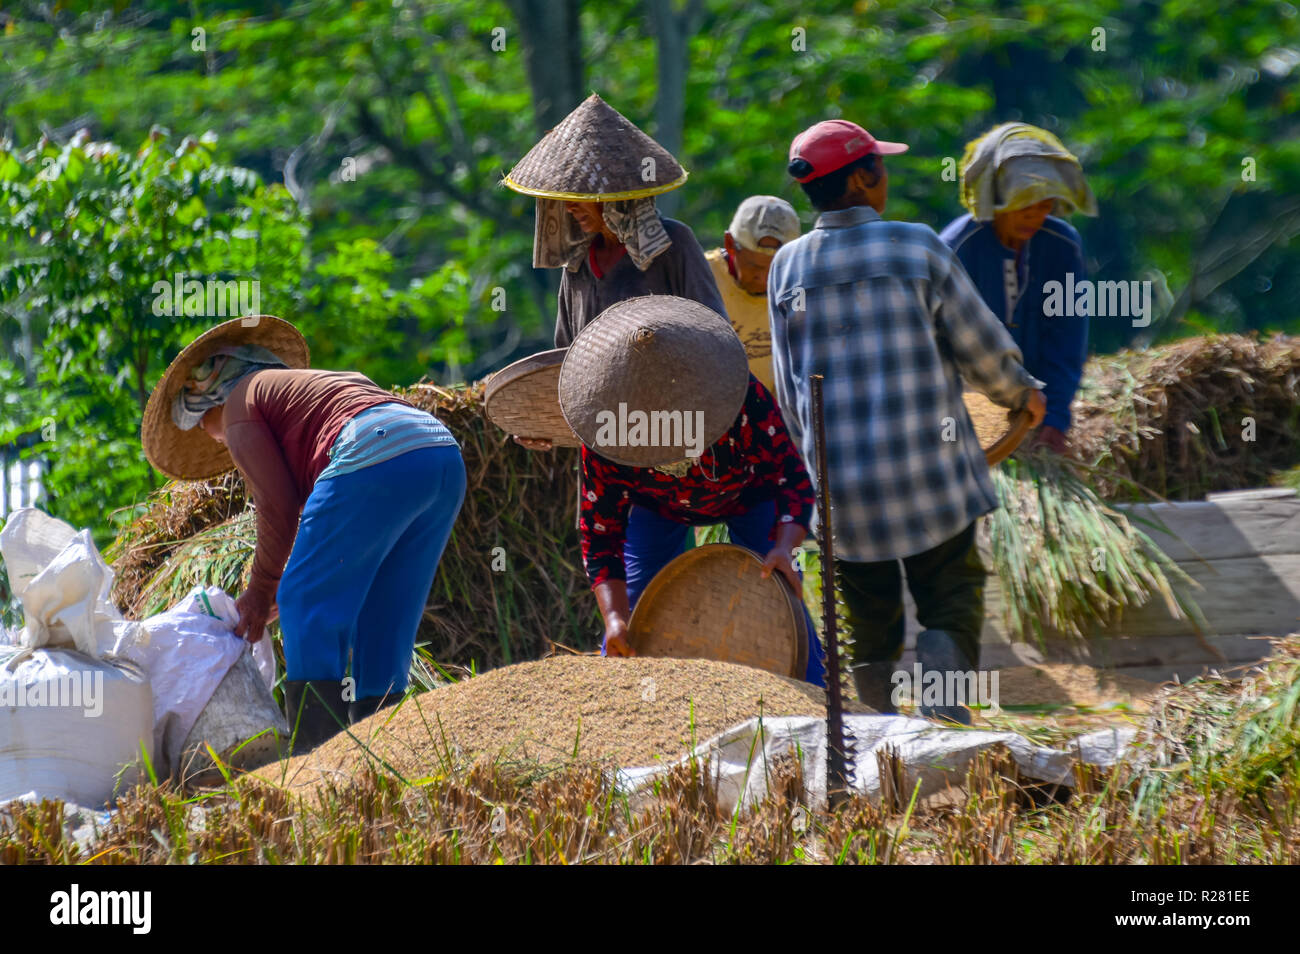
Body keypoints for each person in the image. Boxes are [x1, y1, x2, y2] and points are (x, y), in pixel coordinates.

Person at [768, 120, 1047, 722]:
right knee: (949, 603)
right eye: (881, 166)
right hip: (931, 477)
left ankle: (882, 751)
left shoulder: (786, 268)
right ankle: (945, 730)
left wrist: (815, 475)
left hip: (844, 497)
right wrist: (1022, 392)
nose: (885, 177)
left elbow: (790, 393)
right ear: (866, 177)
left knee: (868, 634)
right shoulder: (916, 246)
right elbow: (981, 351)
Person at [141, 316, 466, 750]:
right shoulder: (314, 385)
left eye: (203, 423)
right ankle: (387, 746)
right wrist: (286, 573)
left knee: (302, 601)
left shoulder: (240, 404)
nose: (211, 436)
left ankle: (319, 756)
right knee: (382, 611)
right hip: (438, 454)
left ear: (213, 398)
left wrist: (262, 593)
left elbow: (279, 505)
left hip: (373, 451)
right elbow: (318, 507)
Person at [560, 295, 824, 687]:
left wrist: (784, 547)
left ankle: (815, 701)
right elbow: (600, 535)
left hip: (749, 495)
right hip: (657, 508)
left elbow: (791, 480)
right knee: (628, 635)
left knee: (787, 614)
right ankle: (623, 705)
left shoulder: (740, 398)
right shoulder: (605, 440)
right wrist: (615, 616)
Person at [501, 93, 726, 452]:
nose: (570, 208)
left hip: (671, 429)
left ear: (617, 197)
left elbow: (715, 335)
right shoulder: (577, 265)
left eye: (581, 195)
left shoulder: (673, 245)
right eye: (564, 197)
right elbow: (566, 363)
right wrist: (543, 424)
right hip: (601, 439)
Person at [939, 123, 1098, 454]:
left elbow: (1067, 335)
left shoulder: (1063, 245)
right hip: (969, 410)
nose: (1034, 217)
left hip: (1038, 405)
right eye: (1024, 206)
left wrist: (1055, 416)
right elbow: (953, 347)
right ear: (995, 200)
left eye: (1043, 206)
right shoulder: (957, 248)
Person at [703, 196, 802, 393]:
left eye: (775, 268)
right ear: (730, 244)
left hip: (772, 415)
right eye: (754, 267)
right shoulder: (703, 277)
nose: (764, 279)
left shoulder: (797, 287)